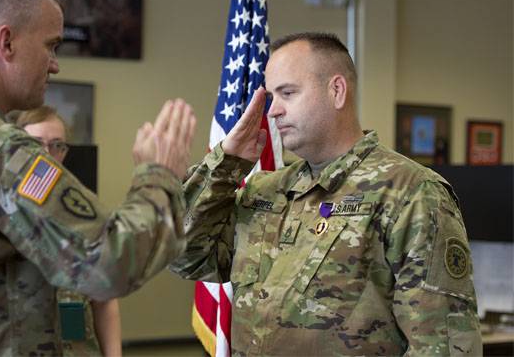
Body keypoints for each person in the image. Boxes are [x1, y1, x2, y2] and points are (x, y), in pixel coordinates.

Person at [0, 0, 196, 355]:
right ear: (6, 42)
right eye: (51, 45)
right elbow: (108, 263)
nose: (56, 64)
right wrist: (160, 176)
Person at [170, 32, 481, 355]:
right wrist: (224, 166)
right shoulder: (266, 191)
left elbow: (441, 345)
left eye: (287, 93)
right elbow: (183, 256)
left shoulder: (410, 193)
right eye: (271, 97)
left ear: (336, 91)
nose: (272, 111)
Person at [15, 106, 122, 357]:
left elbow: (105, 297)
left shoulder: (82, 209)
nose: (47, 153)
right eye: (35, 143)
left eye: (57, 145)